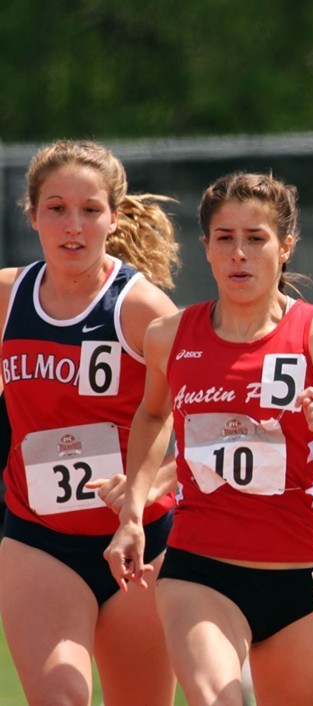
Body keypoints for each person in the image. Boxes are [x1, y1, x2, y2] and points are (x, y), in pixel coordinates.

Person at [104, 171, 313, 705]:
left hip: (301, 579)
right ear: (206, 248)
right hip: (199, 571)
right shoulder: (169, 336)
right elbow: (152, 416)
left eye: (256, 238)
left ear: (285, 248)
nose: (239, 253)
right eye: (225, 238)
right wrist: (132, 511)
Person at [0, 139, 180, 705]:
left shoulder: (144, 310)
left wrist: (146, 488)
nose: (73, 226)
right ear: (32, 215)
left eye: (90, 209)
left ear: (114, 217)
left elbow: (203, 418)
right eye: (56, 208)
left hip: (140, 541)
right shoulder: (7, 297)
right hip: (39, 539)